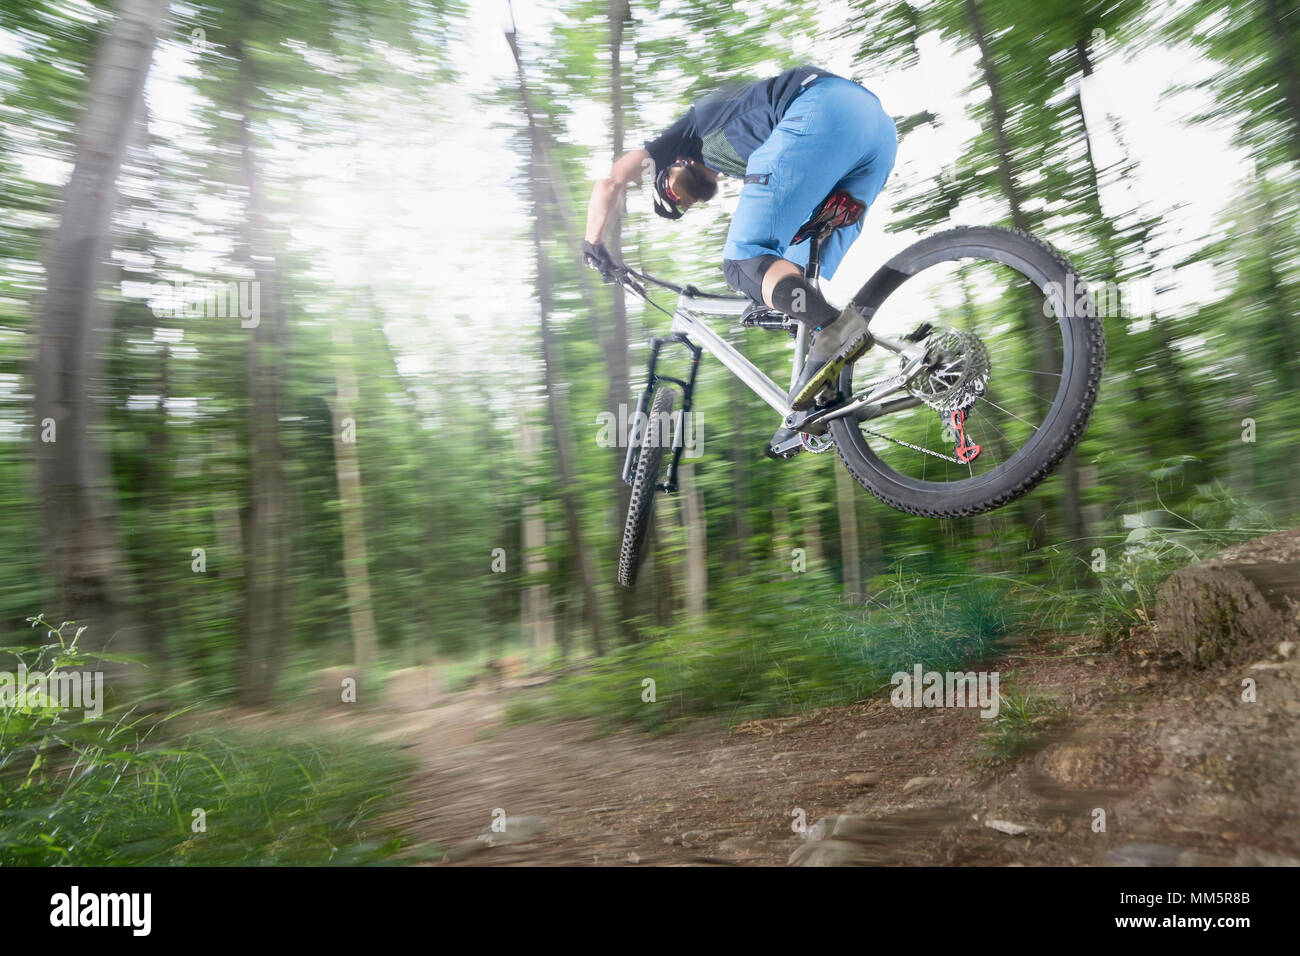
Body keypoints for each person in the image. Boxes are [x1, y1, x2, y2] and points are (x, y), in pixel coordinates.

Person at [583, 65, 897, 412]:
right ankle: (831, 398)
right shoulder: (747, 143)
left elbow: (611, 181)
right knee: (789, 270)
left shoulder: (685, 133)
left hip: (822, 109)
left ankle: (835, 329)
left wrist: (593, 242)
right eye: (682, 206)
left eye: (670, 194)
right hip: (876, 131)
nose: (682, 203)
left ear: (674, 163)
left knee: (742, 261)